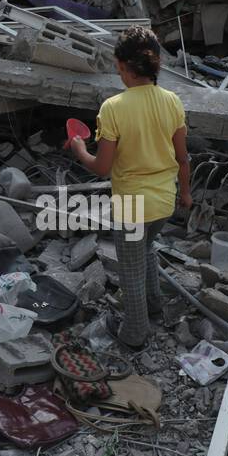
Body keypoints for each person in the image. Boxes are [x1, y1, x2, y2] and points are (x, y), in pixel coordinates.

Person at [69, 26, 191, 349]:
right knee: (146, 251)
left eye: (118, 67)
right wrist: (187, 193)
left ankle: (135, 333)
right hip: (165, 200)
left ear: (124, 67)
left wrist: (79, 148)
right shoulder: (173, 101)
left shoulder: (113, 108)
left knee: (130, 272)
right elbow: (183, 157)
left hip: (132, 207)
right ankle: (153, 306)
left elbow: (102, 166)